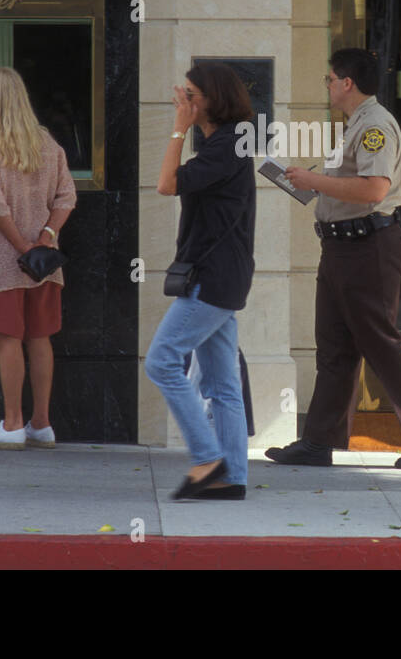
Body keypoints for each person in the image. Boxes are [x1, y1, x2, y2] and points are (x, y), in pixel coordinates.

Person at [268, 48, 401, 469]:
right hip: (340, 247)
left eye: (330, 78)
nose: (328, 85)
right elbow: (343, 186)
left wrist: (311, 178)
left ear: (347, 83)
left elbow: (374, 189)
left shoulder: (375, 127)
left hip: (368, 247)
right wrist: (305, 182)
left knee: (380, 343)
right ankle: (319, 441)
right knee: (334, 347)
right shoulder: (353, 126)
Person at [145, 63, 256, 500]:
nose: (183, 101)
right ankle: (233, 477)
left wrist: (177, 129)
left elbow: (166, 185)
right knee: (222, 383)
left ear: (212, 99)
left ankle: (208, 460)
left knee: (160, 361)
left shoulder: (225, 146)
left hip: (212, 279)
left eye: (191, 94)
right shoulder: (224, 143)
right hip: (222, 276)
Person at [0, 67, 76, 449]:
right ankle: (41, 424)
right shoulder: (46, 141)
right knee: (40, 337)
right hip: (44, 264)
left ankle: (12, 423)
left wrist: (20, 245)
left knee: (8, 338)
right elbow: (67, 197)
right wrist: (45, 237)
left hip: (0, 260)